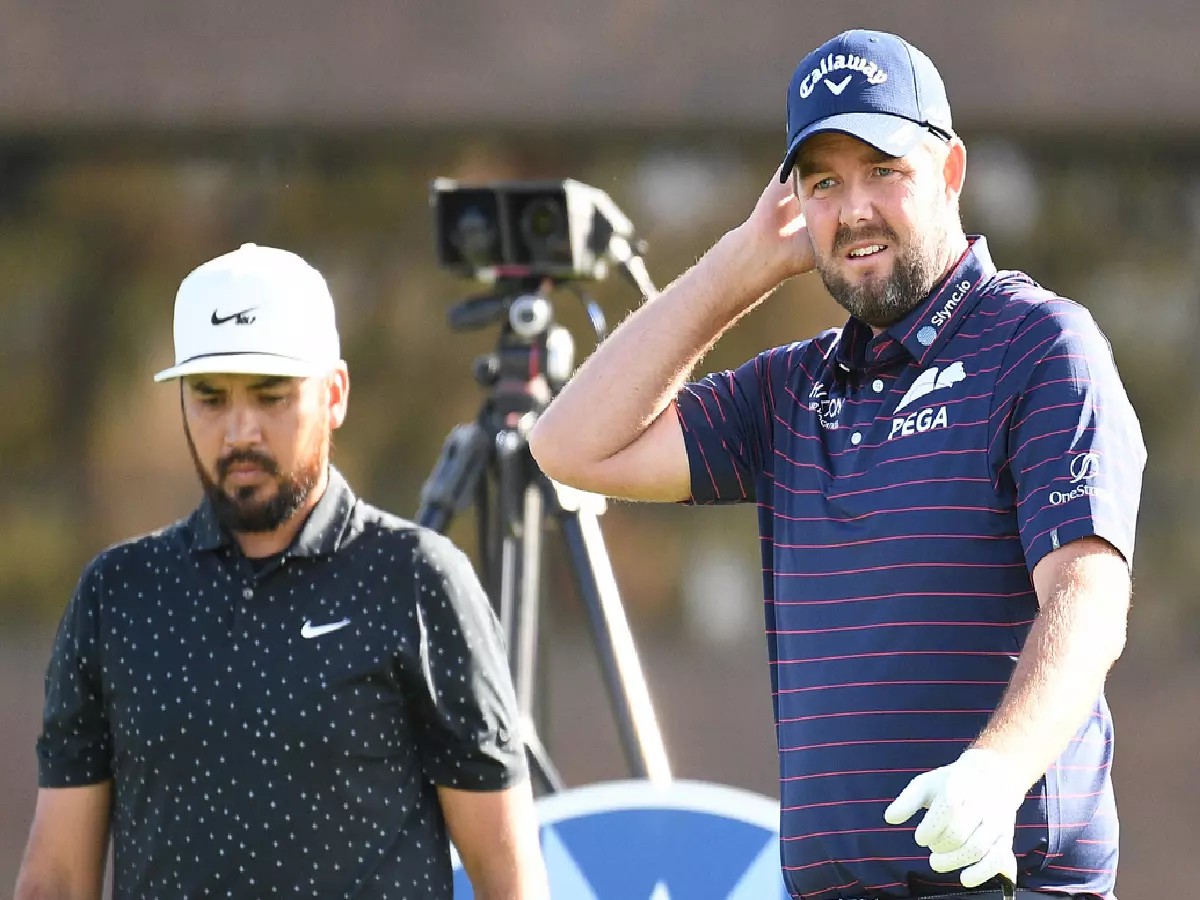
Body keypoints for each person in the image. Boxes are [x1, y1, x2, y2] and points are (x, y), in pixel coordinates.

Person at [529, 28, 1144, 900]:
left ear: (950, 170)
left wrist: (997, 770)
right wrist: (743, 264)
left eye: (882, 170)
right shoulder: (794, 389)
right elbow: (570, 445)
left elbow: (1089, 595)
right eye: (824, 183)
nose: (853, 209)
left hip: (1008, 882)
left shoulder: (1040, 344)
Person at [15, 243, 549, 900]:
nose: (241, 431)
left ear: (335, 394)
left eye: (271, 397)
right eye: (210, 398)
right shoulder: (117, 595)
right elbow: (59, 880)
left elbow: (512, 884)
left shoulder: (417, 581)